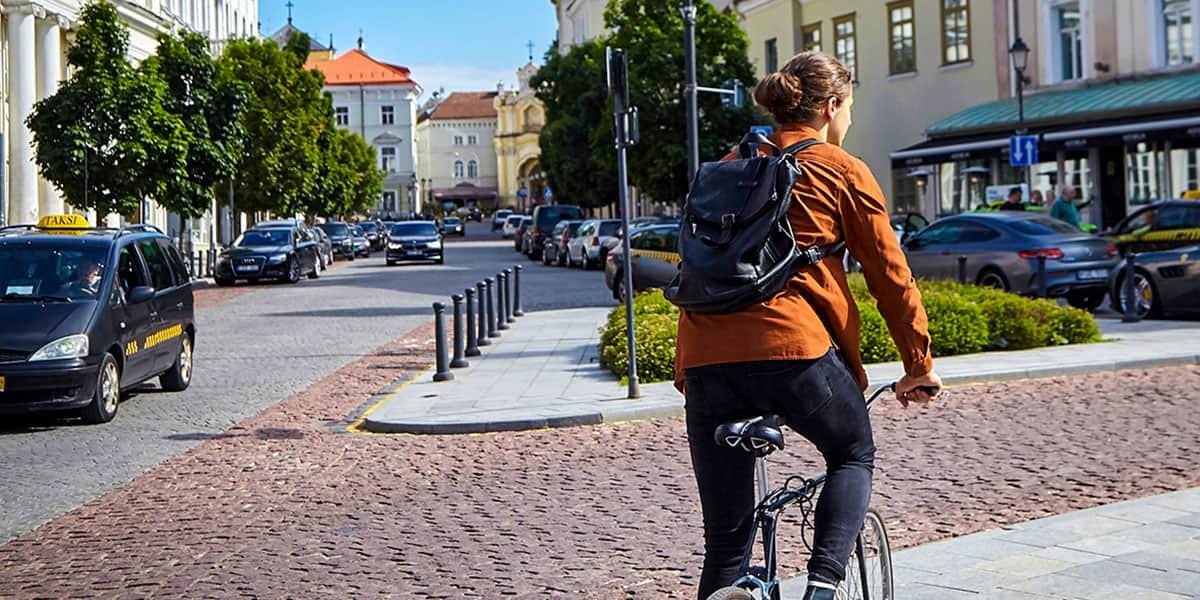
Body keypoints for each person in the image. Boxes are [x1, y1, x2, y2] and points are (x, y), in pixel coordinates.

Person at [675, 51, 942, 600]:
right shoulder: (841, 168)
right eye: (848, 110)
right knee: (851, 453)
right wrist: (918, 365)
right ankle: (822, 584)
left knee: (726, 544)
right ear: (831, 105)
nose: (847, 123)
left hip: (705, 358)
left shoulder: (726, 166)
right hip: (794, 351)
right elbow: (891, 277)